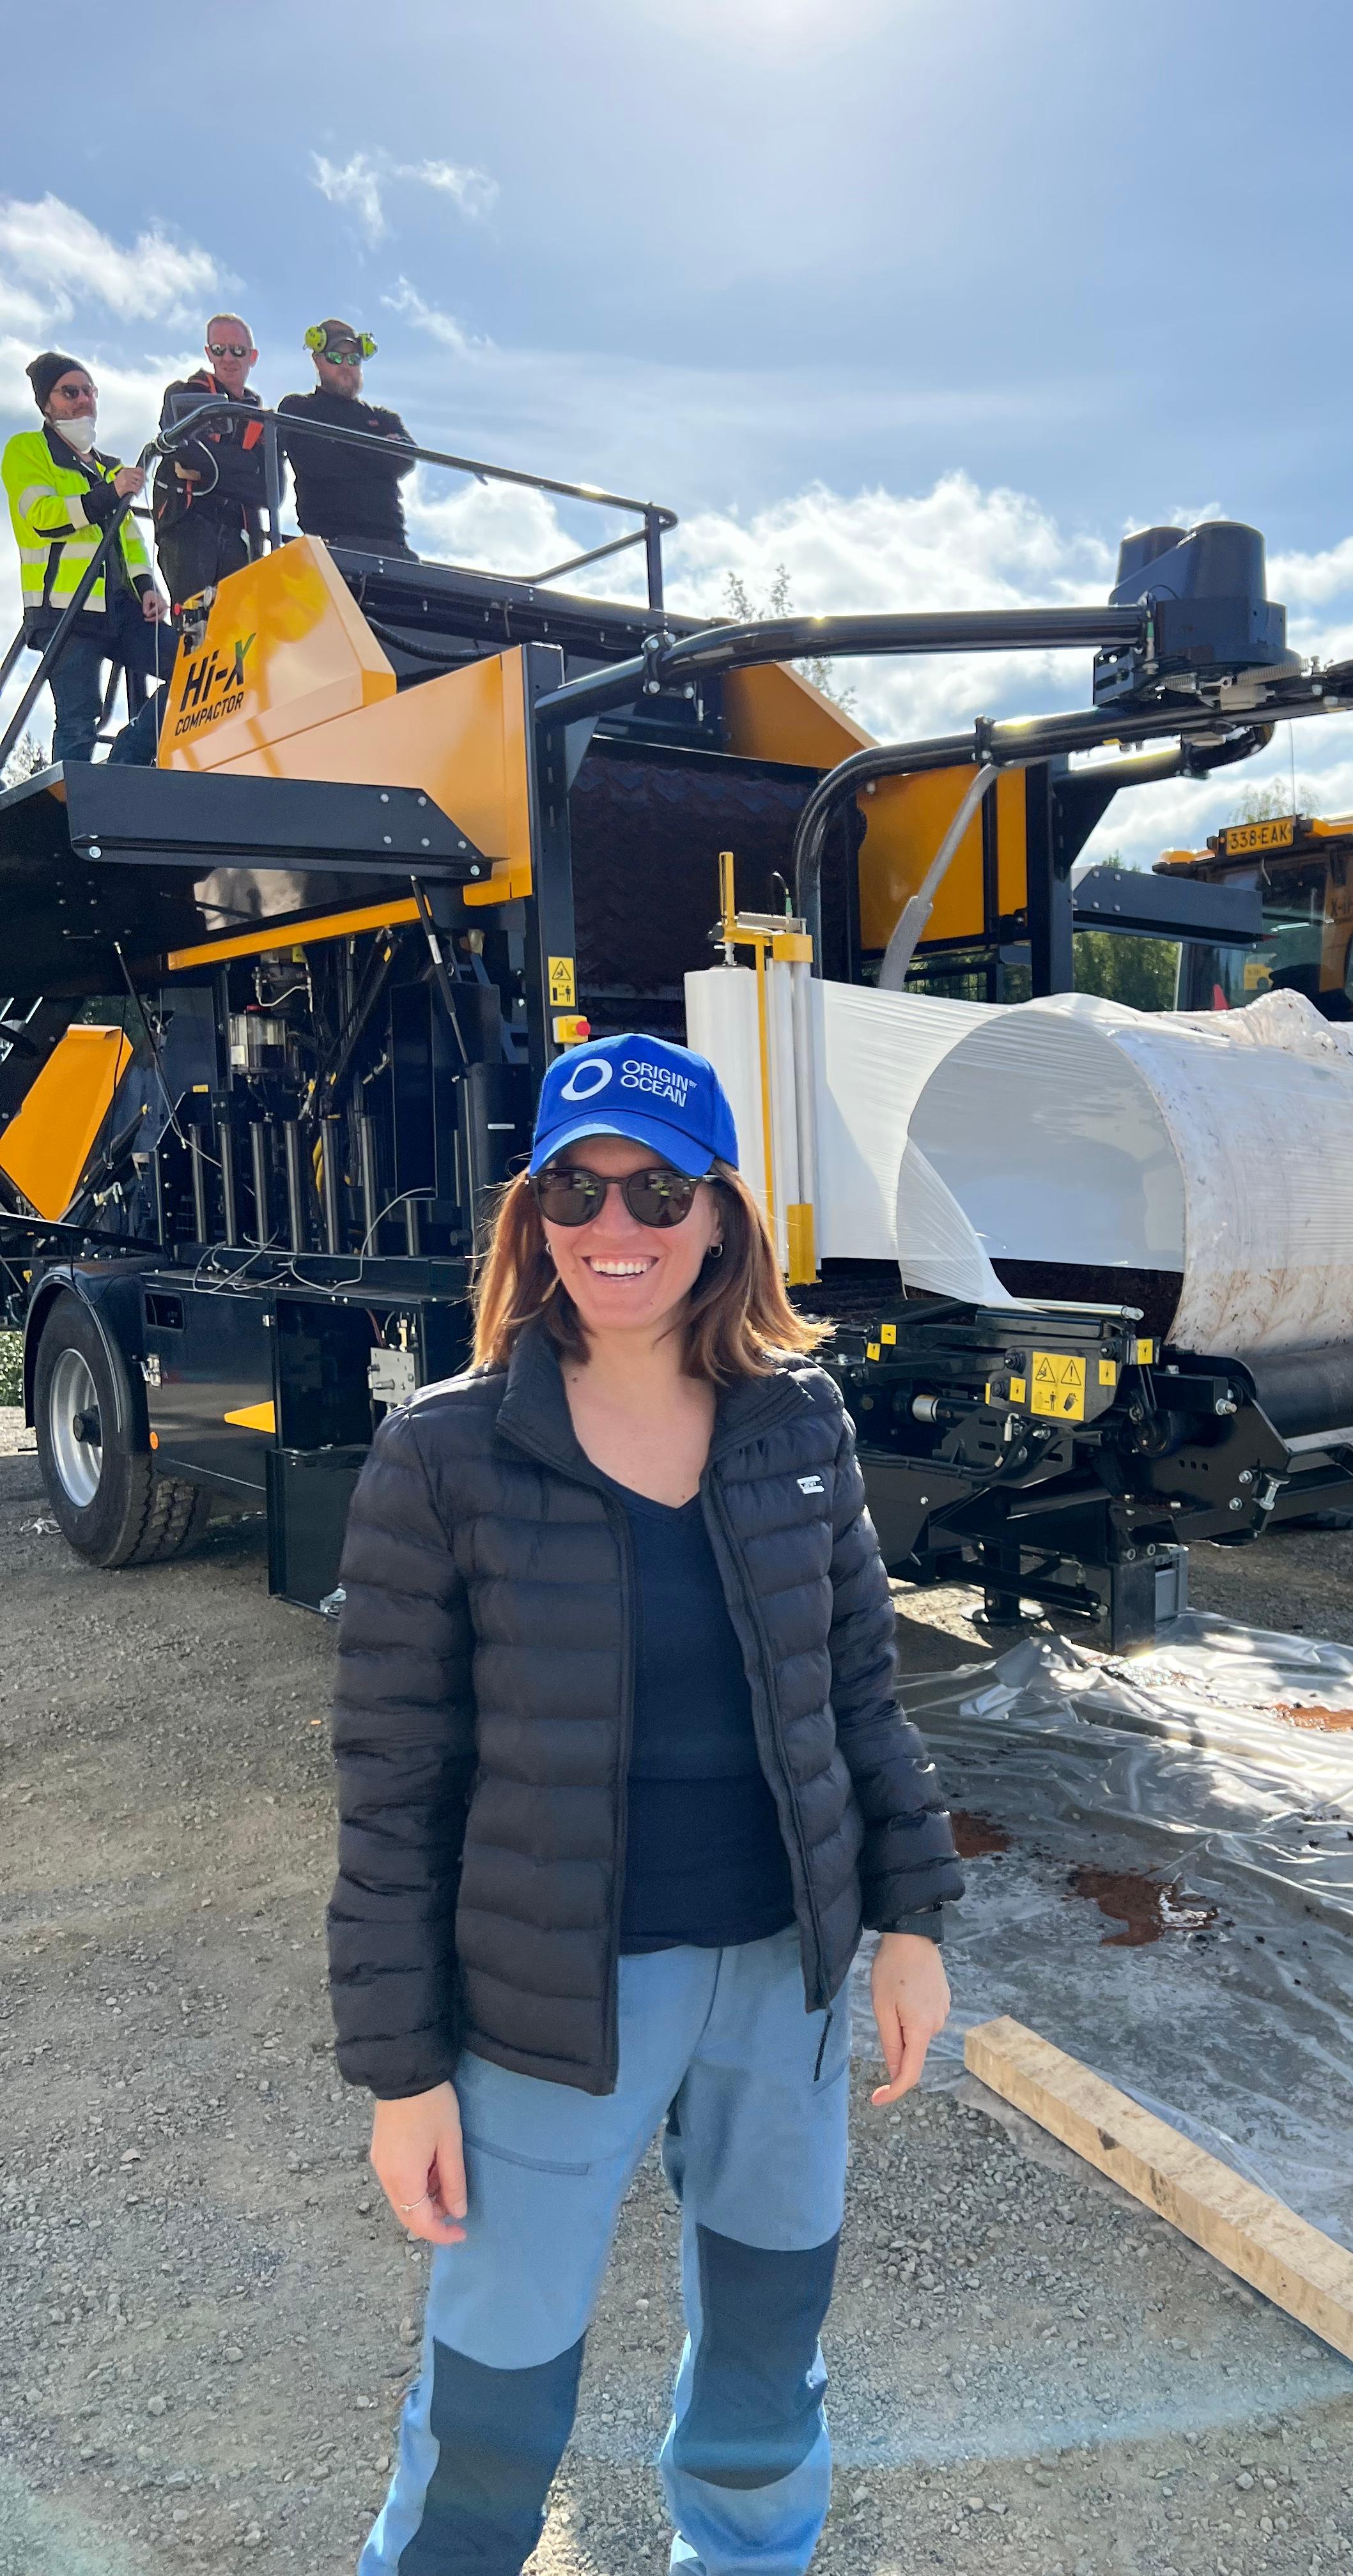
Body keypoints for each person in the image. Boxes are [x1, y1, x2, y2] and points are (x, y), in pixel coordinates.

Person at [329, 1029, 962, 2576]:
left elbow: (861, 1695)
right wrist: (402, 2073)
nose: (617, 1228)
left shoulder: (798, 1425)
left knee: (766, 2354)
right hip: (552, 2004)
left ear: (722, 1218)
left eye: (659, 1190)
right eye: (578, 1188)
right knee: (495, 2396)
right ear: (533, 1219)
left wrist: (912, 1918)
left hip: (780, 1992)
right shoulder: (444, 1457)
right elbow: (392, 1791)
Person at [3, 351, 176, 767]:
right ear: (46, 403)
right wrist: (109, 493)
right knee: (79, 721)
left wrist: (147, 588)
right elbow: (41, 517)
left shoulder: (107, 466)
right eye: (70, 392)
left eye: (89, 391)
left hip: (121, 608)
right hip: (65, 609)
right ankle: (72, 824)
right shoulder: (26, 450)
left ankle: (126, 758)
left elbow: (130, 539)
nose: (83, 400)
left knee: (194, 667)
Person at [153, 312, 272, 605]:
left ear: (252, 357)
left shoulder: (261, 415)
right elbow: (187, 455)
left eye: (238, 351)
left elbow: (270, 491)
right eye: (219, 350)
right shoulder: (184, 394)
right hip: (188, 528)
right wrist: (246, 465)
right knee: (194, 629)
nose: (228, 358)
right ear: (209, 353)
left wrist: (209, 473)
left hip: (241, 537)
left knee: (242, 632)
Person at [277, 319, 415, 557]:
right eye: (336, 357)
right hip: (329, 547)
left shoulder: (384, 418)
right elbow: (319, 463)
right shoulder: (298, 409)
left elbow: (406, 460)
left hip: (394, 548)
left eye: (353, 359)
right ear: (317, 360)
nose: (346, 366)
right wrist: (378, 455)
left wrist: (340, 445)